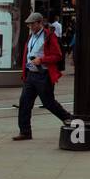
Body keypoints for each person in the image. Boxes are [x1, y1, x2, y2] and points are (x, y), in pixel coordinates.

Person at [14, 12, 73, 141]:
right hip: (31, 74)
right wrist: (25, 73)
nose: (30, 26)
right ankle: (25, 132)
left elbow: (58, 56)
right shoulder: (31, 37)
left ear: (40, 23)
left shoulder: (49, 36)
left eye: (32, 24)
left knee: (48, 103)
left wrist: (42, 60)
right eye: (29, 24)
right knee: (24, 102)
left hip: (43, 75)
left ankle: (68, 118)